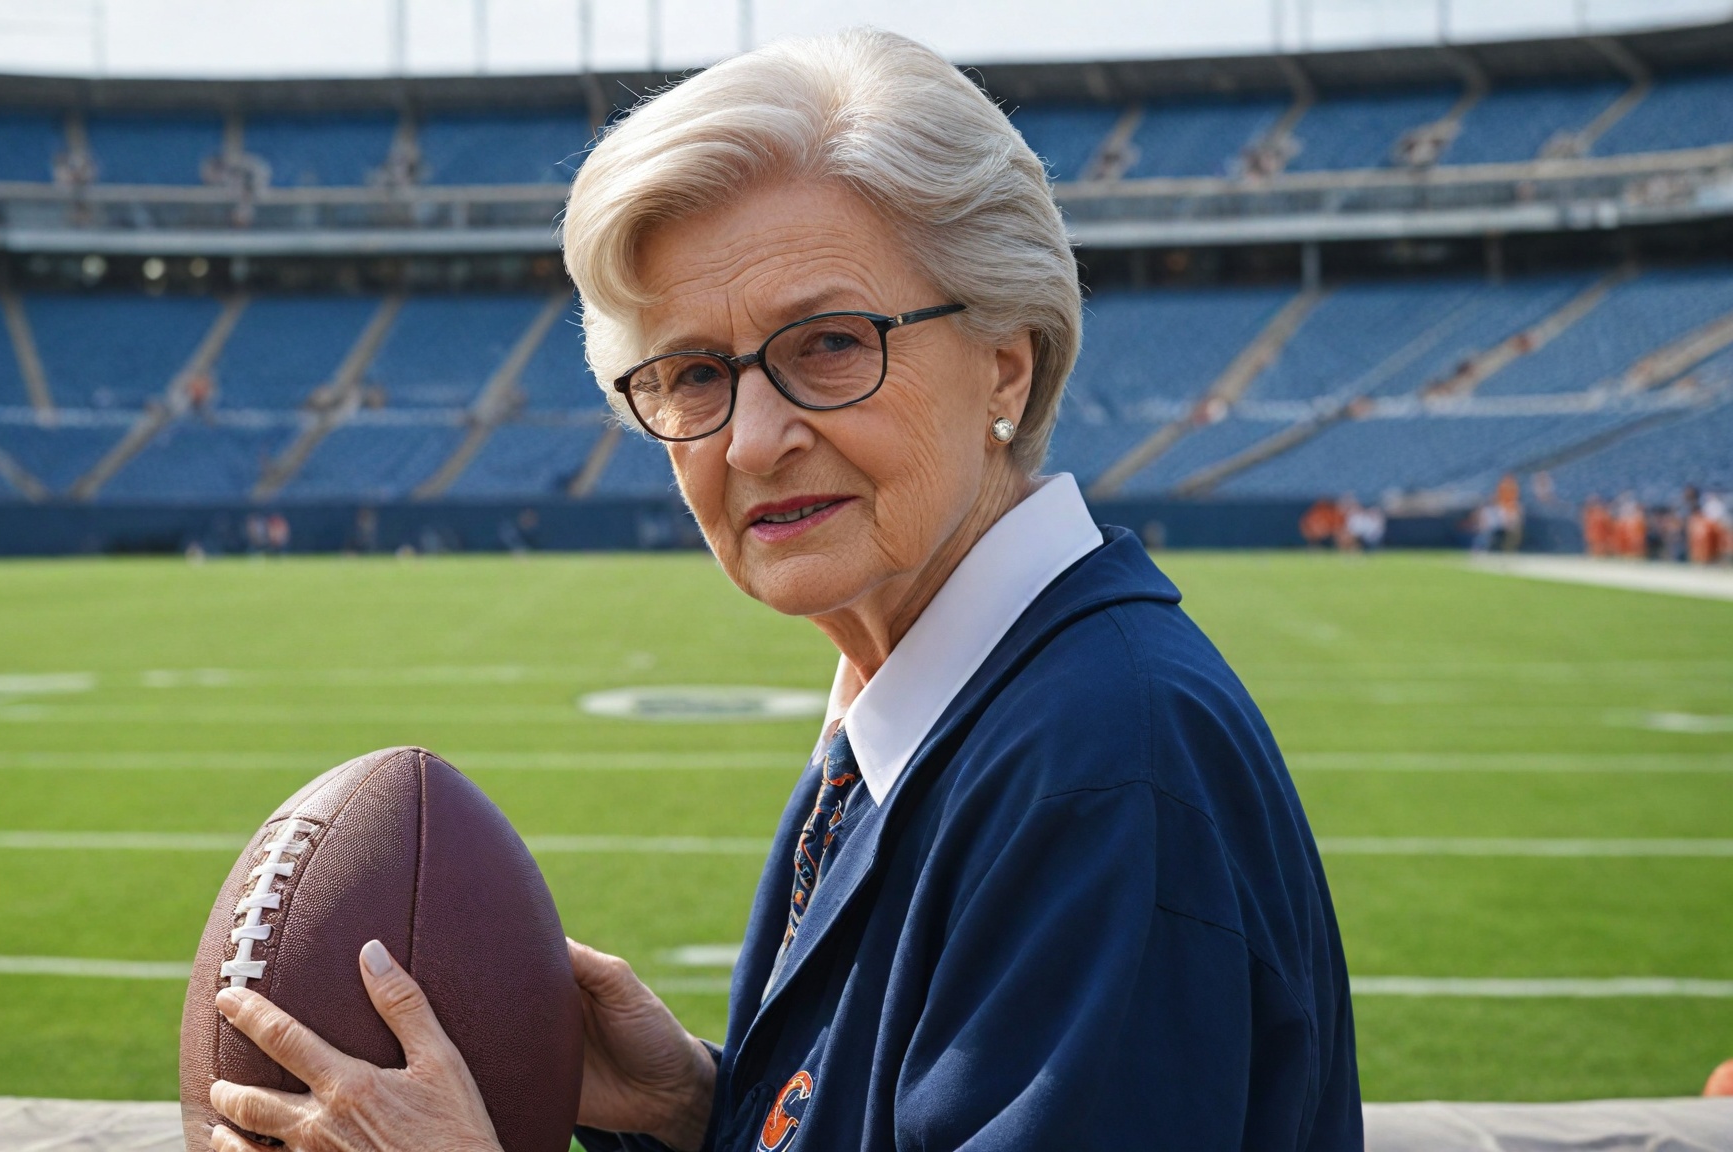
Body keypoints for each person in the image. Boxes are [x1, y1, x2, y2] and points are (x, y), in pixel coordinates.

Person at [201, 29, 1360, 1152]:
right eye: (695, 374)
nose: (753, 439)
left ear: (1006, 360)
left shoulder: (1101, 765)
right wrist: (704, 1111)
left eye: (830, 344)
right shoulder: (940, 706)